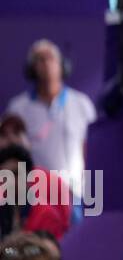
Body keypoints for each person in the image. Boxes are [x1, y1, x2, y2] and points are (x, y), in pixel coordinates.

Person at [5, 40, 96, 201]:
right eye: (40, 59)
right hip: (35, 198)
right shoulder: (18, 108)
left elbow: (91, 150)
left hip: (75, 195)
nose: (46, 63)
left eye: (50, 58)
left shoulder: (82, 104)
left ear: (62, 65)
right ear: (32, 69)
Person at [0, 113, 72, 240]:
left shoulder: (52, 184)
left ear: (28, 142)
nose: (11, 139)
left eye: (17, 133)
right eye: (3, 135)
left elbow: (65, 231)